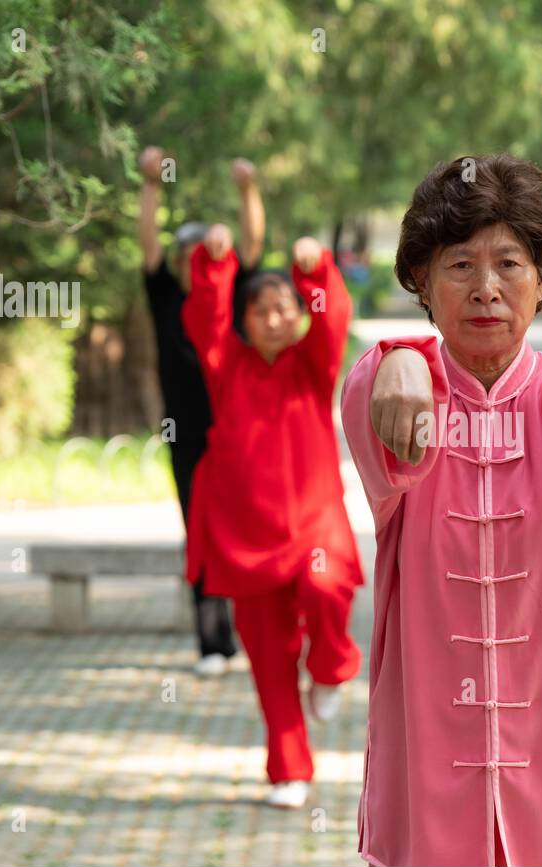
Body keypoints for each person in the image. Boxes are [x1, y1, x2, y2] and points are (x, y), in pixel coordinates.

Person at [341, 153, 542, 866]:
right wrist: (396, 353)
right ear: (421, 280)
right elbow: (369, 396)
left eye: (509, 264)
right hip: (432, 781)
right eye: (458, 266)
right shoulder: (396, 393)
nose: (485, 289)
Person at [182, 223, 363, 810]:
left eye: (285, 306)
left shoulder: (311, 366)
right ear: (247, 320)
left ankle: (332, 667)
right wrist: (215, 263)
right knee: (268, 659)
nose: (275, 318)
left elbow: (330, 316)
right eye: (261, 310)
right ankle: (290, 769)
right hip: (246, 539)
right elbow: (206, 315)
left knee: (327, 585)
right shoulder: (225, 365)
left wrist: (313, 274)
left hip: (314, 525)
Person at [137, 148, 266, 676]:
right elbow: (146, 239)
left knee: (252, 531)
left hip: (240, 435)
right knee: (201, 534)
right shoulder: (164, 295)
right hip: (187, 436)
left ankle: (262, 632)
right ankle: (214, 643)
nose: (195, 261)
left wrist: (247, 191)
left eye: (201, 252)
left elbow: (253, 243)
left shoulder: (235, 293)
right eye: (185, 253)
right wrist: (151, 184)